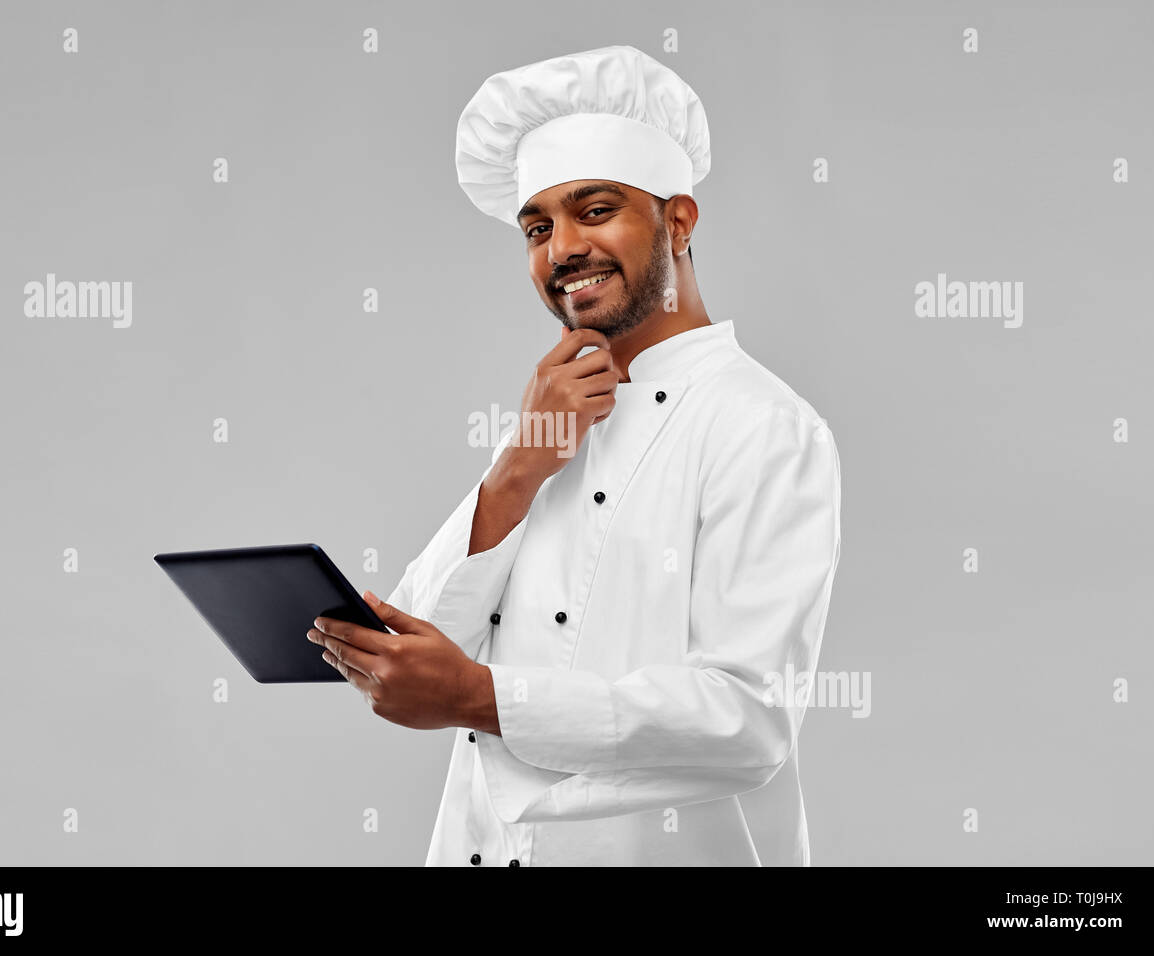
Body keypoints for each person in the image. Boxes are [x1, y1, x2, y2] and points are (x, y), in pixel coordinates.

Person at [306, 45, 842, 866]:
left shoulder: (763, 426)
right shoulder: (552, 418)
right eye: (537, 227)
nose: (561, 251)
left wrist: (483, 698)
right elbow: (422, 640)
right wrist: (522, 464)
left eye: (594, 211)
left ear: (679, 221)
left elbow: (747, 720)